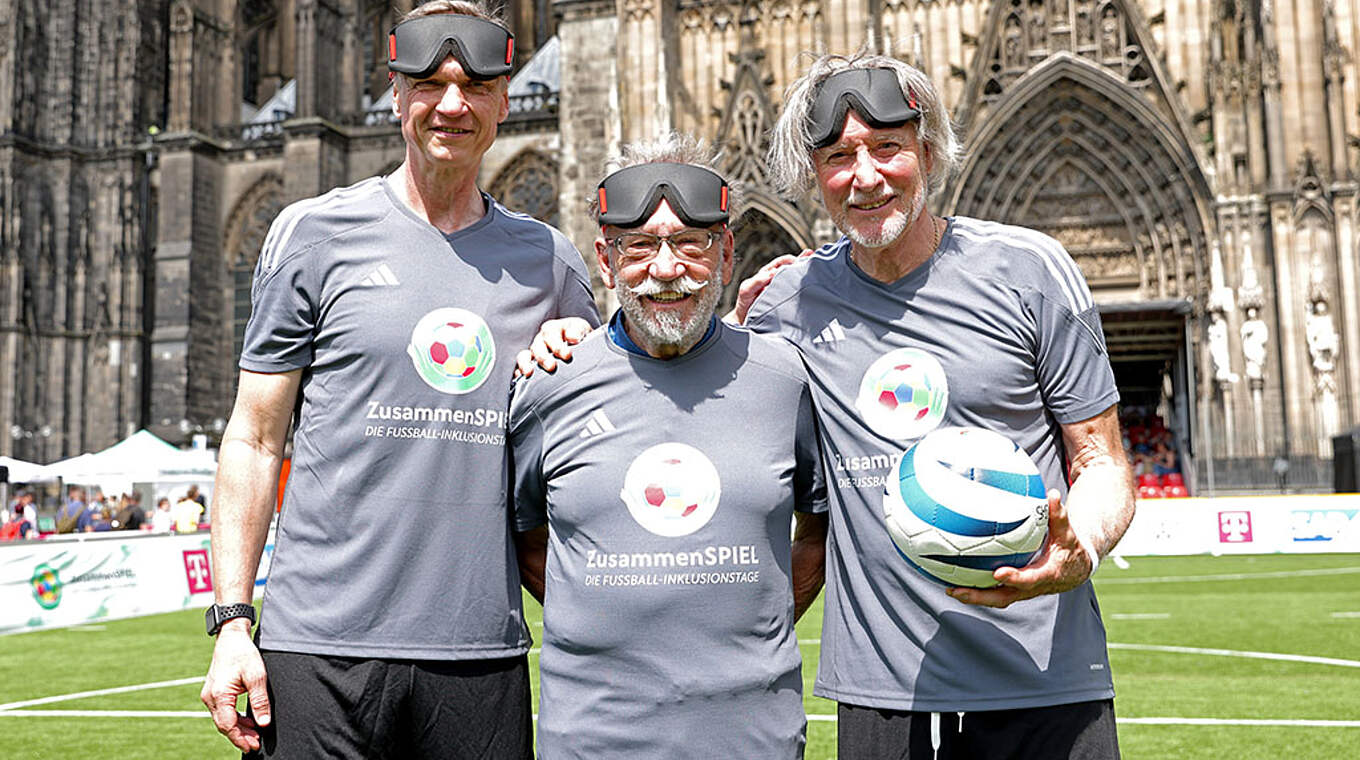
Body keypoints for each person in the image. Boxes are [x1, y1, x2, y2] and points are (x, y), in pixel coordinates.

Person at [528, 54, 1135, 760]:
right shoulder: (785, 306)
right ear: (812, 173)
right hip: (882, 693)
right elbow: (680, 368)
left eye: (887, 147)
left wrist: (1080, 548)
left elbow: (1103, 461)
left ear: (929, 151)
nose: (866, 175)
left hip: (1046, 678)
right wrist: (569, 332)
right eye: (839, 155)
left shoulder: (1030, 270)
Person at [198, 2, 601, 757]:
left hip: (479, 651)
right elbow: (253, 439)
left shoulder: (551, 262)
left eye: (476, 86)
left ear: (504, 100)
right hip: (319, 649)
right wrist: (231, 623)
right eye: (430, 83)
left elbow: (603, 424)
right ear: (396, 94)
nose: (452, 104)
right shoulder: (312, 234)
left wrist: (579, 345)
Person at [510, 138, 829, 758]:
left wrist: (751, 619)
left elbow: (816, 530)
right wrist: (612, 617)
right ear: (605, 261)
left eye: (691, 243)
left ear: (727, 253)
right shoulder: (548, 384)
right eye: (639, 246)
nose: (665, 268)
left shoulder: (785, 380)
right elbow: (526, 538)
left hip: (755, 739)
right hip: (594, 742)